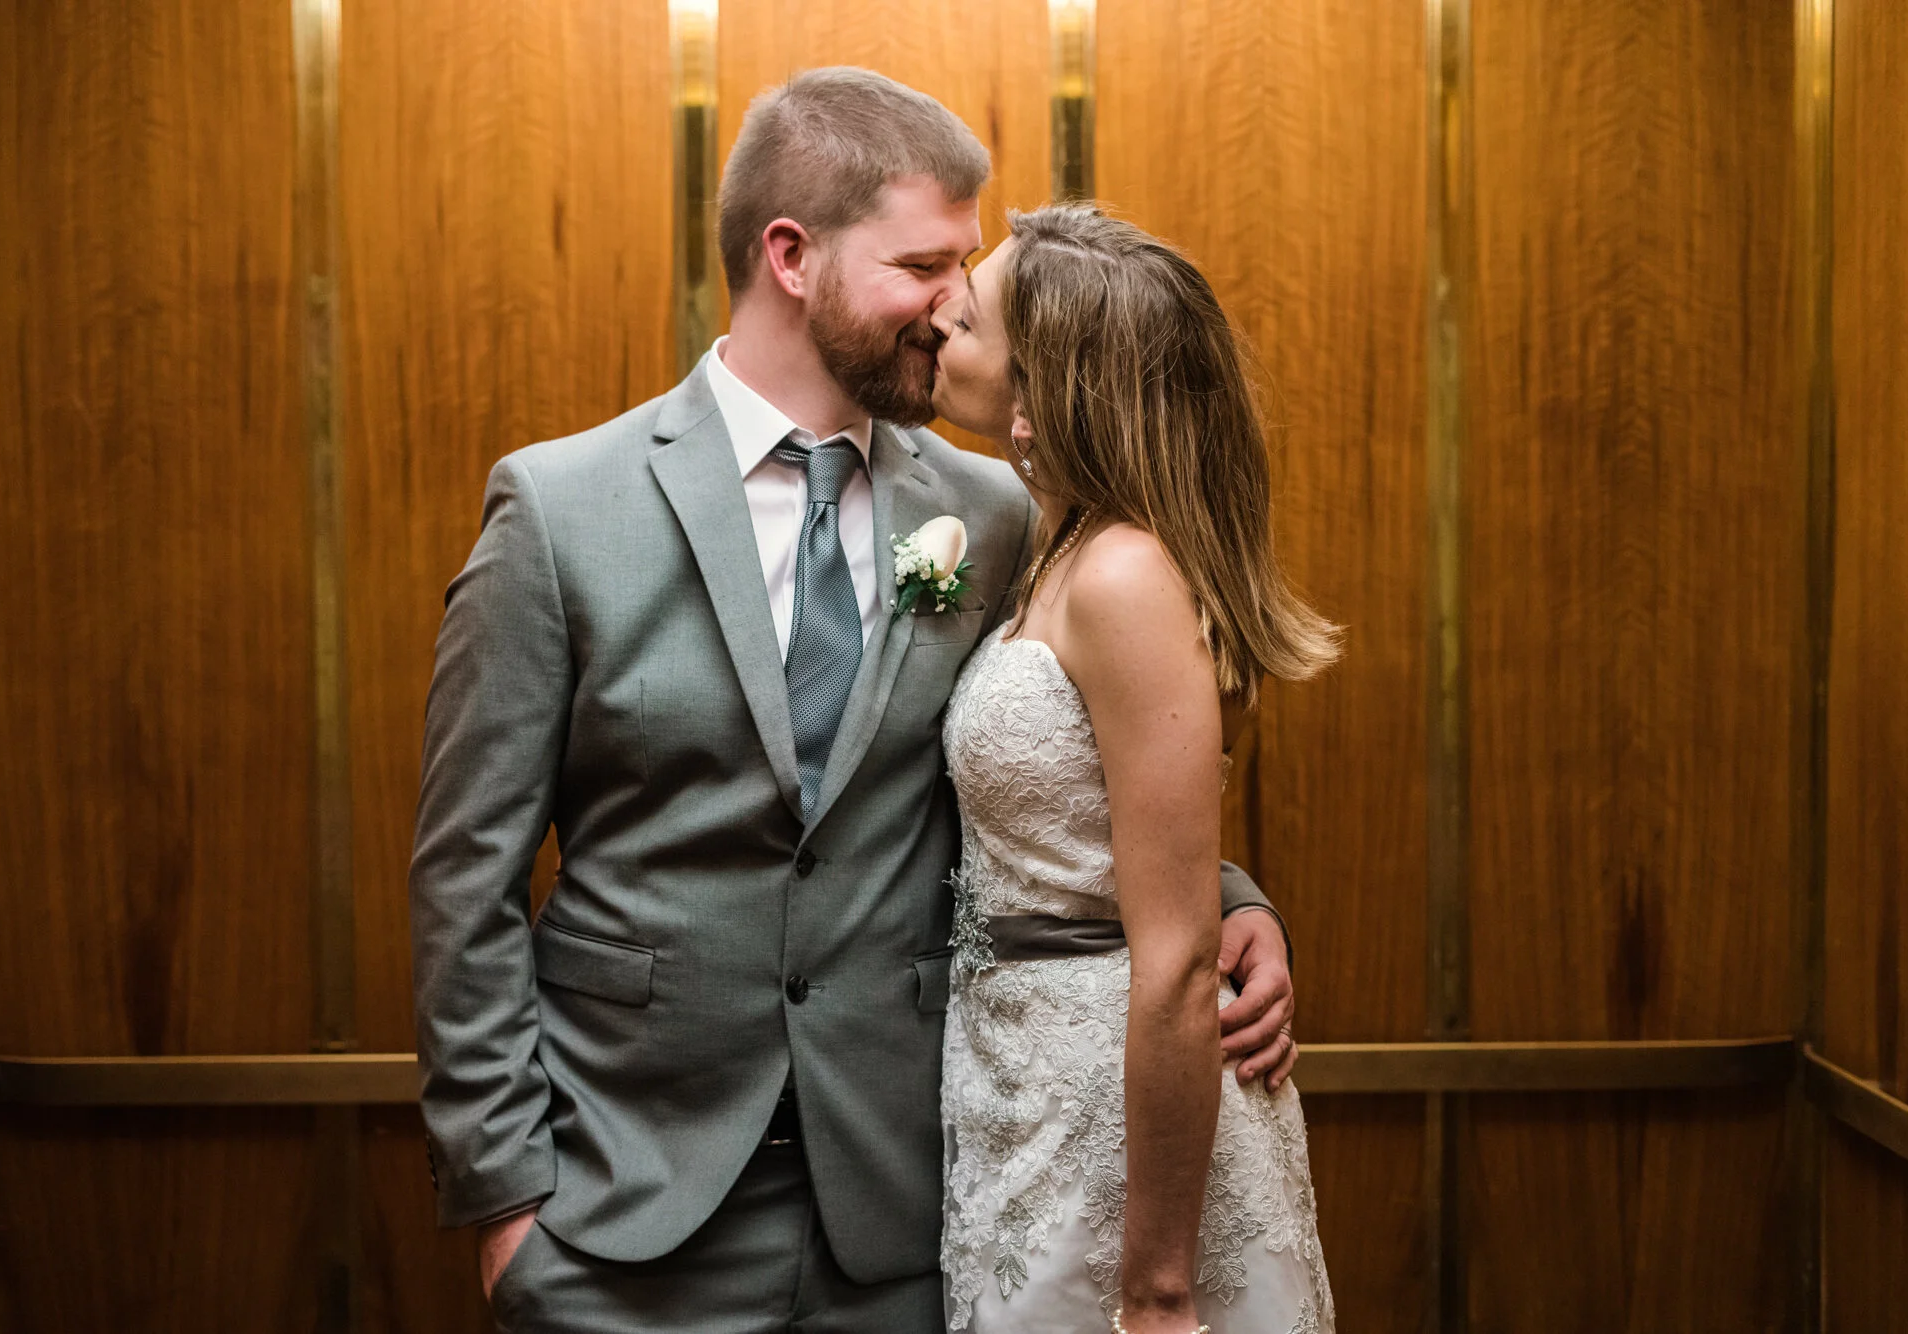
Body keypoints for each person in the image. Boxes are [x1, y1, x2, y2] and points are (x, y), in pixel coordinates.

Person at [409, 69, 1299, 1334]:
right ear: (790, 255)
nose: (954, 306)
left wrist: (1232, 902)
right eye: (924, 264)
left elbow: (1062, 764)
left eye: (966, 266)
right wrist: (507, 1202)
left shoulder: (990, 512)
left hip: (906, 1209)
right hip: (625, 1214)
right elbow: (465, 878)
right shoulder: (560, 511)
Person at [929, 204, 1340, 1334]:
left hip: (1112, 1108)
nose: (934, 315)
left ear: (1037, 392)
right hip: (1019, 1079)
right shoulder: (1049, 544)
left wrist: (1156, 1289)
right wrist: (1237, 886)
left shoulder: (1120, 576)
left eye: (962, 317)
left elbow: (1169, 960)